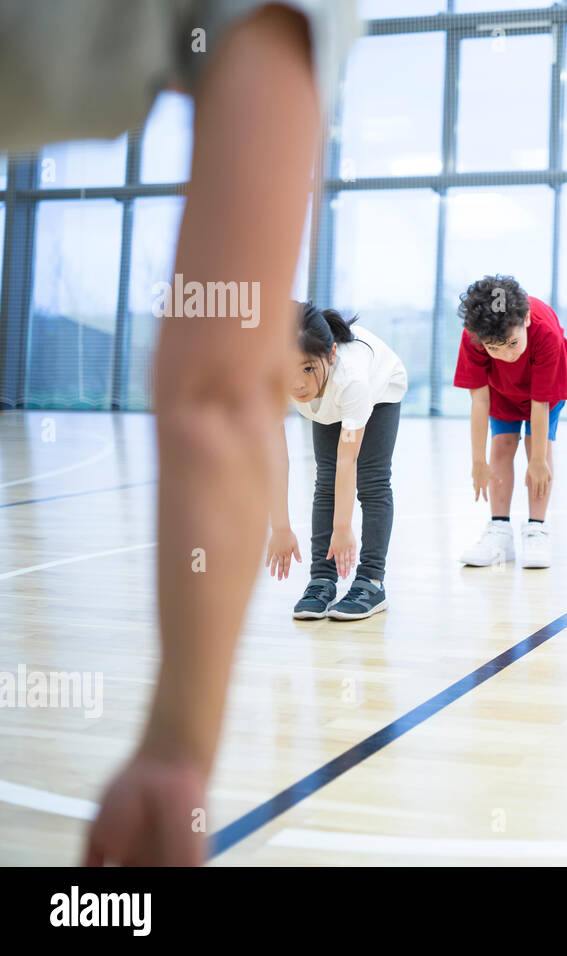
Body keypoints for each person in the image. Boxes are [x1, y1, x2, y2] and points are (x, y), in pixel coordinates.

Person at [0, 0, 357, 864]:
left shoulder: (359, 382)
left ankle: (362, 573)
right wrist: (176, 750)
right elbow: (220, 393)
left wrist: (328, 530)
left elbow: (281, 421)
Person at [266, 303, 407, 620]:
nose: (298, 384)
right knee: (324, 480)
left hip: (380, 389)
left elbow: (348, 461)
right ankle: (321, 580)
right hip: (330, 399)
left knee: (372, 480)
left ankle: (371, 581)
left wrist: (343, 528)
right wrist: (280, 527)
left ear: (330, 353)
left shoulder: (352, 380)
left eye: (307, 368)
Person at [454, 276, 567, 570]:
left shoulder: (546, 333)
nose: (507, 355)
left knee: (539, 452)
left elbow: (540, 403)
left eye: (512, 343)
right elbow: (480, 402)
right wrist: (478, 461)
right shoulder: (475, 335)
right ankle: (499, 530)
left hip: (542, 395)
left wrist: (537, 461)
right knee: (502, 447)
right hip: (501, 392)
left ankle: (537, 528)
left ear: (527, 319)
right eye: (495, 348)